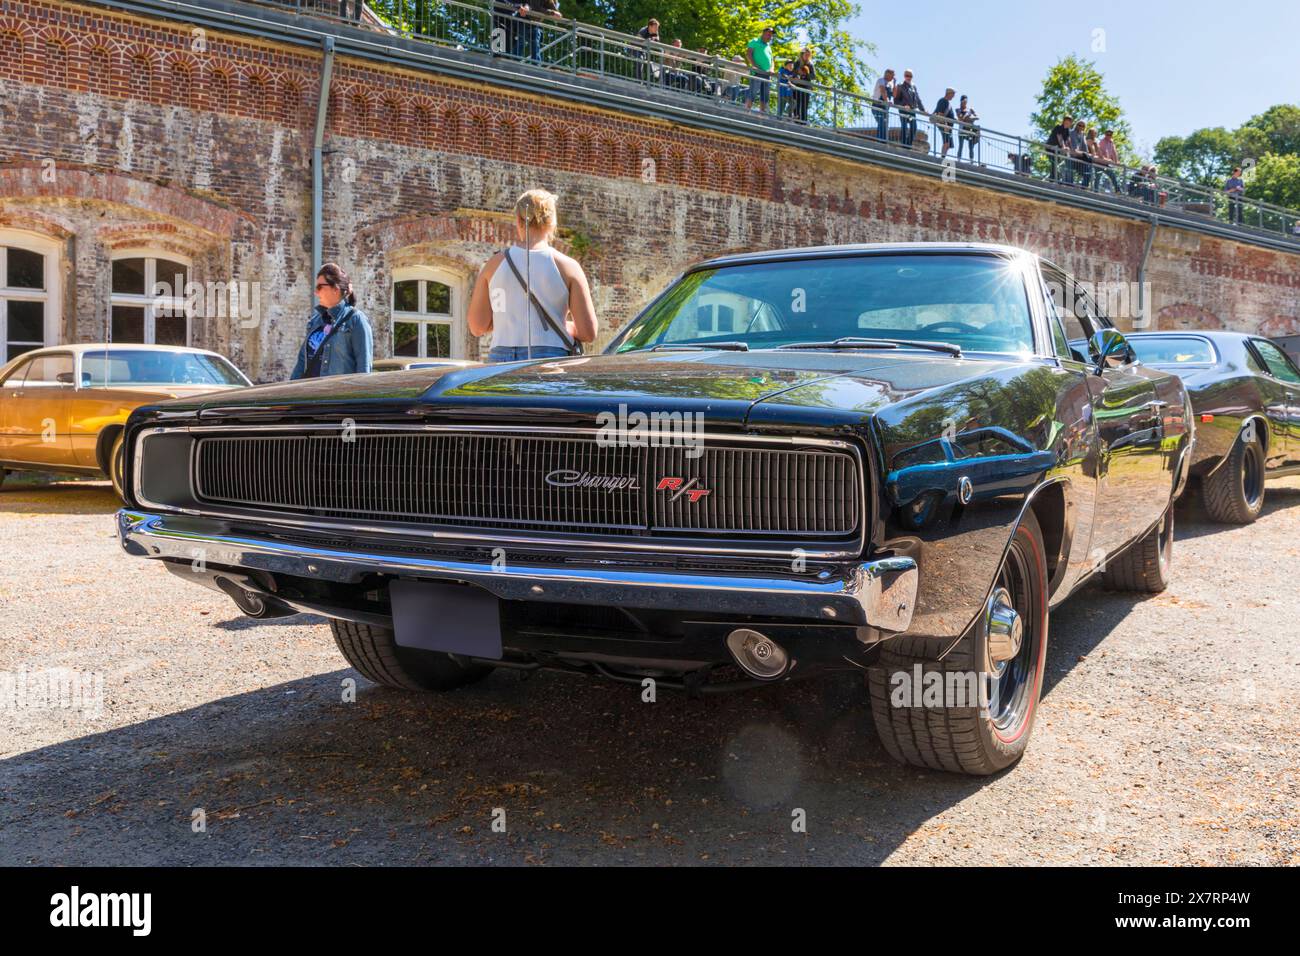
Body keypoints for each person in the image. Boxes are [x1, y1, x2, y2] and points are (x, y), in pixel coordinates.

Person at [467, 189, 598, 363]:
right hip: (550, 357)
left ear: (519, 221)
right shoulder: (568, 267)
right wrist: (564, 326)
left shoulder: (494, 265)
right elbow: (588, 333)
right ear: (552, 223)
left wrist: (507, 320)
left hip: (500, 357)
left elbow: (477, 327)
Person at [290, 263, 373, 379]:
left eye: (320, 287)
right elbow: (302, 363)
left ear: (335, 289)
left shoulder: (356, 320)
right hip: (310, 394)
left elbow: (364, 369)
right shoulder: (314, 321)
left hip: (338, 395)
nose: (316, 292)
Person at [743, 27, 776, 113]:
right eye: (768, 34)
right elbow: (748, 53)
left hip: (767, 74)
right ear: (763, 33)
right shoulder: (755, 41)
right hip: (757, 72)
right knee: (753, 92)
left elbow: (772, 60)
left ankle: (762, 114)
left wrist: (772, 69)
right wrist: (754, 66)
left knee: (765, 95)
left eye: (771, 35)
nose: (770, 36)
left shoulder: (768, 46)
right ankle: (746, 111)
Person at [893, 70, 925, 148]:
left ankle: (908, 145)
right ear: (904, 76)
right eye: (907, 75)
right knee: (904, 126)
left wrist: (923, 110)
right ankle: (903, 144)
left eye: (910, 76)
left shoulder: (913, 86)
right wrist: (903, 106)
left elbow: (918, 99)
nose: (908, 77)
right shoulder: (900, 85)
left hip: (911, 111)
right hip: (903, 110)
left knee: (914, 127)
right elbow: (896, 100)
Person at [791, 48, 815, 122]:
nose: (807, 56)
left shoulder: (810, 64)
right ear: (802, 55)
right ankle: (796, 120)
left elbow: (813, 76)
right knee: (796, 103)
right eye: (806, 54)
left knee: (804, 105)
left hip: (806, 88)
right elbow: (792, 73)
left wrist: (806, 74)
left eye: (808, 55)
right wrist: (797, 74)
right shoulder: (797, 63)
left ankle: (804, 121)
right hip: (796, 86)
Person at [932, 87, 956, 159]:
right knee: (946, 142)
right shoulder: (943, 101)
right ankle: (942, 158)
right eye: (953, 94)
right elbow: (940, 114)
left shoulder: (947, 102)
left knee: (948, 144)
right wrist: (945, 125)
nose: (953, 96)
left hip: (947, 126)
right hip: (945, 125)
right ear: (949, 93)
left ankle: (943, 156)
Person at [1047, 115, 1073, 183]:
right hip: (1050, 147)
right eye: (1066, 121)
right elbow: (1060, 137)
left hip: (1057, 150)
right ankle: (1054, 179)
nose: (1067, 123)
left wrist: (1070, 149)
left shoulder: (1067, 130)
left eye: (1069, 122)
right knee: (1054, 163)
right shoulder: (1058, 127)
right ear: (1063, 121)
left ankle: (1053, 178)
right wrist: (1064, 147)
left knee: (1055, 163)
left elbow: (1067, 140)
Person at [872, 69, 895, 142]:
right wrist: (887, 101)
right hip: (877, 106)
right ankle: (880, 142)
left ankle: (883, 141)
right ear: (888, 74)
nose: (893, 77)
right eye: (893, 75)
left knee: (884, 124)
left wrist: (895, 83)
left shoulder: (890, 84)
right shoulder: (881, 80)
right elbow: (883, 91)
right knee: (882, 122)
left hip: (885, 109)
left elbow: (894, 95)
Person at [956, 95, 979, 163]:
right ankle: (959, 160)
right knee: (961, 145)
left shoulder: (970, 109)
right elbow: (960, 118)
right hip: (962, 130)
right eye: (964, 101)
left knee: (971, 146)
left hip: (969, 130)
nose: (965, 103)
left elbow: (977, 117)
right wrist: (966, 116)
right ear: (961, 101)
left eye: (966, 101)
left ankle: (971, 160)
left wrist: (971, 118)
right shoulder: (958, 109)